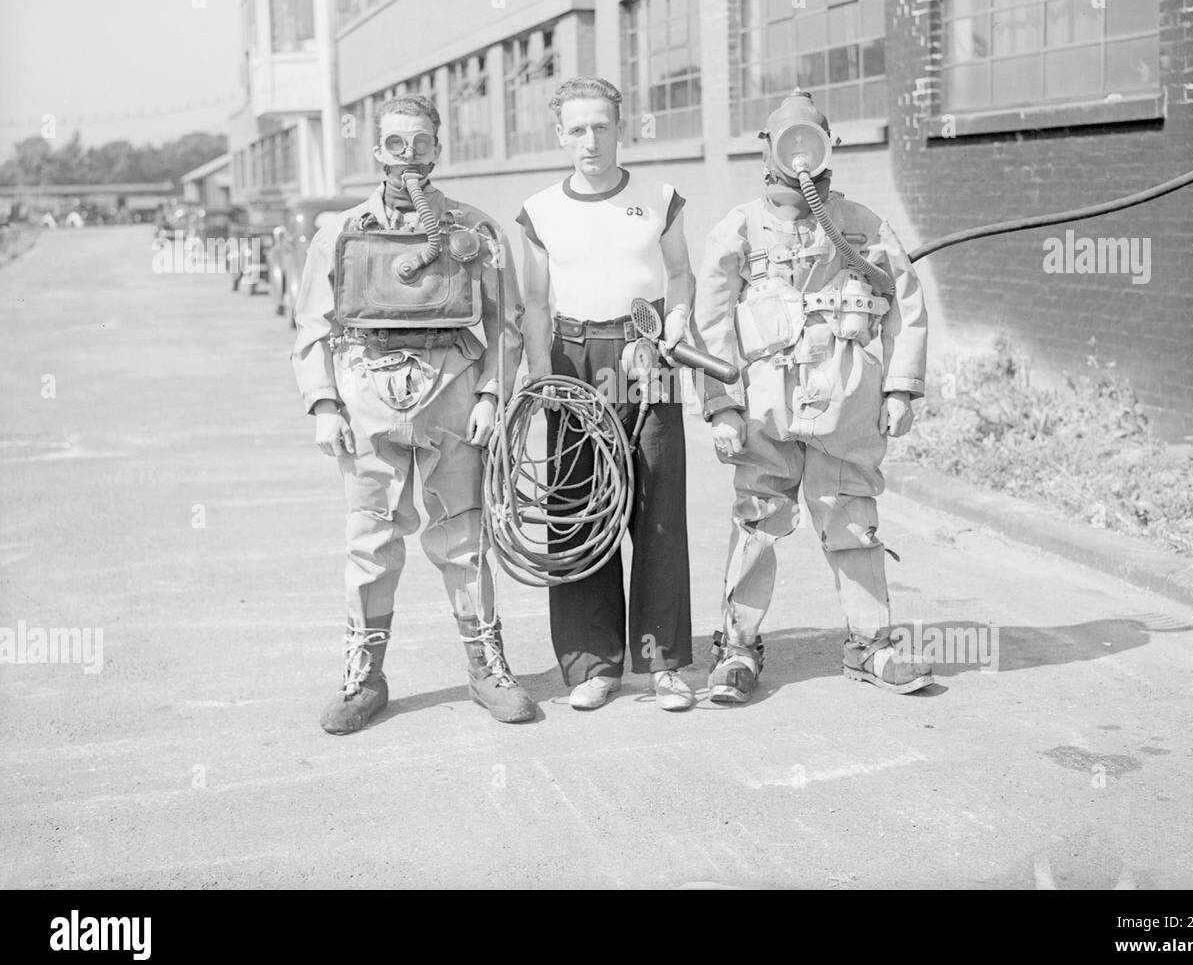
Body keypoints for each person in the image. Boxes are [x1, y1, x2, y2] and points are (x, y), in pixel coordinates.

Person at [292, 93, 535, 734]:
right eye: (395, 144)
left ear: (438, 149)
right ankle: (362, 677)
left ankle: (488, 667)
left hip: (452, 390)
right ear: (376, 150)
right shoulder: (340, 233)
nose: (407, 156)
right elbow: (313, 325)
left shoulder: (475, 232)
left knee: (465, 536)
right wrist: (323, 404)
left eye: (420, 143)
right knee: (370, 540)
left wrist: (490, 395)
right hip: (367, 394)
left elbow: (506, 323)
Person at [694, 88, 932, 704]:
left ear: (830, 148)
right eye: (789, 142)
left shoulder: (862, 225)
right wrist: (723, 404)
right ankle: (738, 649)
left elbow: (906, 304)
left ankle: (872, 645)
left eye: (813, 141)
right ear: (767, 149)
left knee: (852, 519)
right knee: (756, 524)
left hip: (847, 408)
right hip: (766, 409)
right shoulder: (740, 228)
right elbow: (711, 322)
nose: (801, 155)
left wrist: (901, 388)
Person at [516, 76, 696, 712]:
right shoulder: (540, 211)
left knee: (658, 503)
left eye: (601, 126)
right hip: (572, 358)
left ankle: (662, 664)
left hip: (645, 354)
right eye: (577, 129)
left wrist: (672, 329)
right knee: (577, 511)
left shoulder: (659, 198)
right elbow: (534, 302)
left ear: (622, 127)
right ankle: (593, 665)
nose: (590, 140)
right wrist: (542, 376)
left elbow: (680, 275)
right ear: (560, 134)